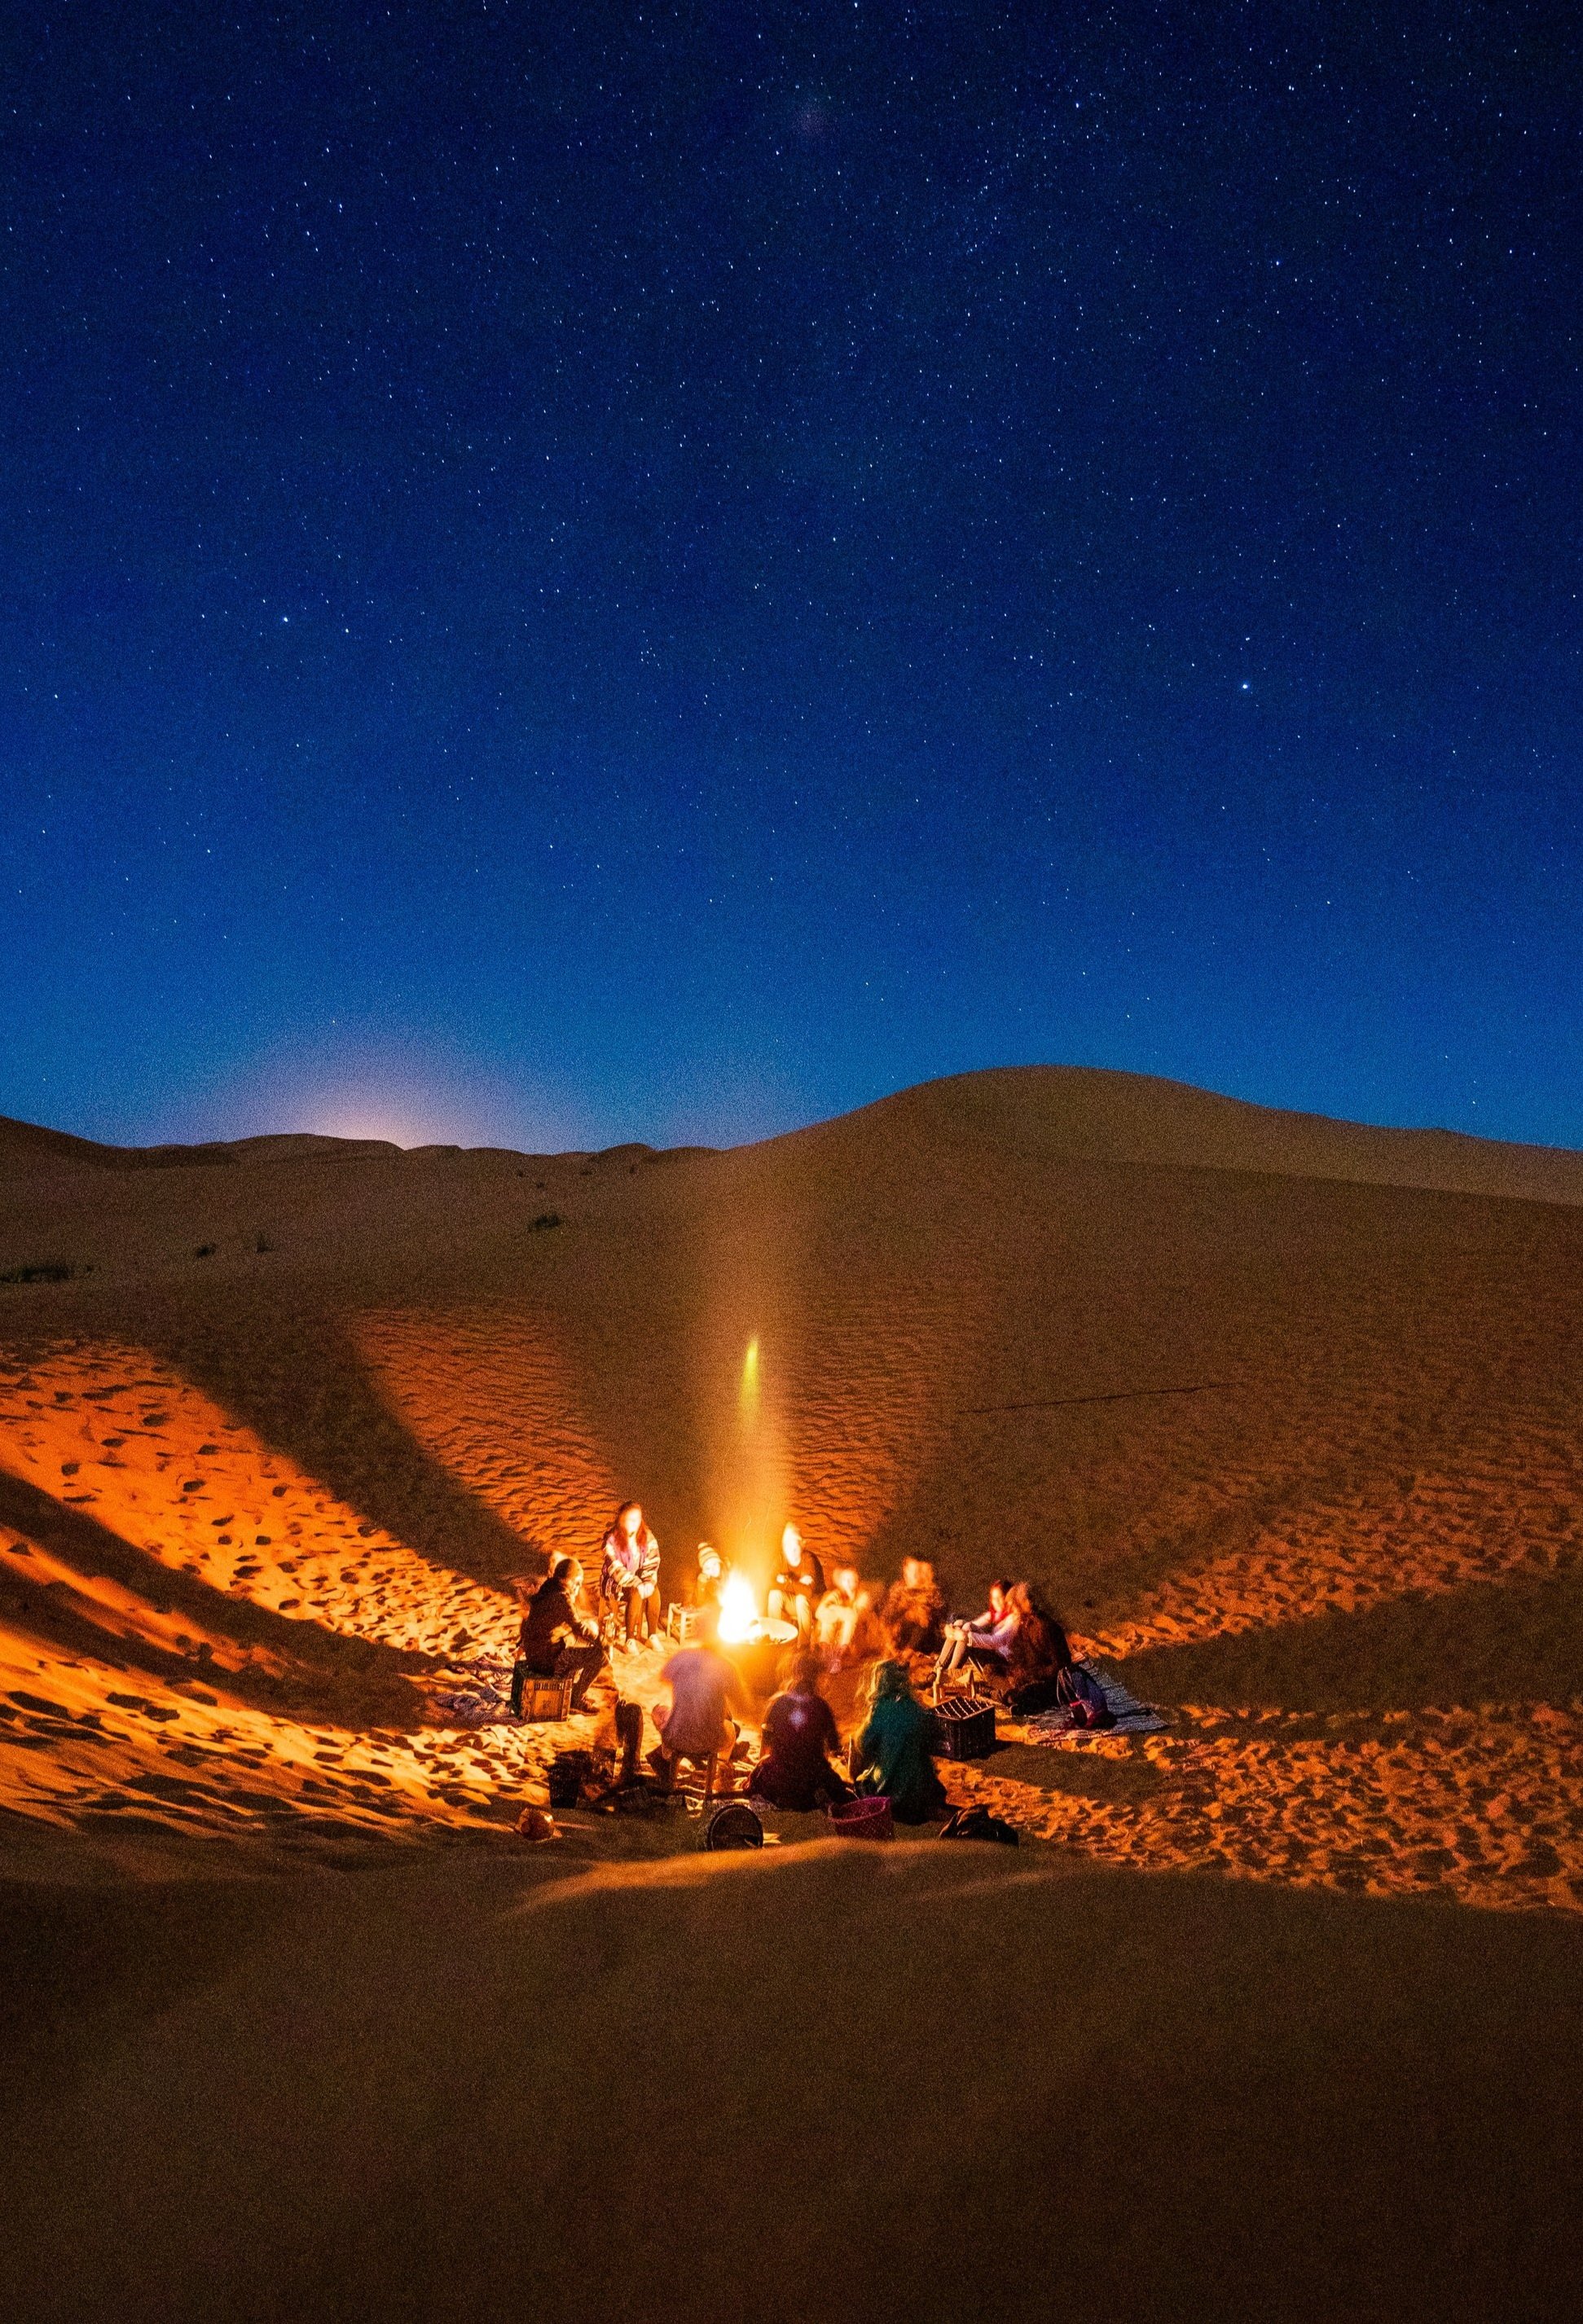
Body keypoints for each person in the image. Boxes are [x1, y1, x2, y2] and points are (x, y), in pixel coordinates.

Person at [651, 1606, 749, 1783]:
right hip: (708, 1740)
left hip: (675, 1736)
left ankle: (669, 1759)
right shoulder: (725, 1666)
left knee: (659, 1711)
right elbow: (744, 1707)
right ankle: (720, 1767)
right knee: (732, 1728)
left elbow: (663, 1676)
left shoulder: (682, 1657)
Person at [749, 1653, 851, 1811]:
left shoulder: (778, 1703)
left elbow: (766, 1744)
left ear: (794, 1673)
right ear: (817, 1677)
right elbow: (834, 1746)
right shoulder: (821, 1706)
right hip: (812, 1778)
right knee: (838, 1786)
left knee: (759, 1777)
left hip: (780, 1777)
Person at [850, 1658, 947, 1825]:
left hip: (890, 1796)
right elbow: (934, 1737)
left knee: (860, 1771)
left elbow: (864, 1745)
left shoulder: (879, 1709)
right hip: (921, 1791)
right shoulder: (915, 1707)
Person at [511, 1557, 606, 1716]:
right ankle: (576, 1698)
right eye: (578, 1583)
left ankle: (573, 1692)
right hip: (548, 1661)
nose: (578, 1587)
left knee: (574, 1644)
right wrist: (600, 1639)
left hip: (535, 1656)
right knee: (600, 1657)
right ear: (571, 1581)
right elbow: (579, 1627)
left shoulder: (548, 1587)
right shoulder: (562, 1598)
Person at [1001, 1581, 1075, 1715]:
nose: (1030, 1602)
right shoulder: (1025, 1626)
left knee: (1022, 1694)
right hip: (1033, 1677)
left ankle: (1014, 1699)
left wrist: (1034, 1674)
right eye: (1025, 1599)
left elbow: (1061, 1665)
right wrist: (1019, 1672)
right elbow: (1024, 1657)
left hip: (1053, 1683)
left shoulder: (1046, 1626)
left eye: (1029, 1598)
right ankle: (1008, 1695)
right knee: (993, 1671)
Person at [599, 1500, 662, 1653]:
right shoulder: (611, 1540)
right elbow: (615, 1568)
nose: (635, 1523)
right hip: (614, 1581)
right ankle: (630, 1640)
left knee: (654, 1592)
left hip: (638, 1579)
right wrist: (636, 1582)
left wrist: (648, 1582)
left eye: (638, 1519)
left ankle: (652, 1635)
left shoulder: (646, 1536)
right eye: (631, 1519)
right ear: (621, 1520)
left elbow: (652, 1560)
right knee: (636, 1593)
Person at [934, 1578, 1017, 1691]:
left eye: (999, 1598)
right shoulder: (995, 1615)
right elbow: (972, 1624)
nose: (995, 1602)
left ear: (1008, 1598)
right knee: (960, 1623)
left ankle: (948, 1676)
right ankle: (937, 1671)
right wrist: (951, 1628)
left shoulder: (1014, 1619)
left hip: (1003, 1665)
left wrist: (967, 1637)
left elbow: (997, 1641)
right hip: (994, 1656)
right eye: (993, 1598)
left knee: (967, 1629)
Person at [766, 1523, 825, 1641]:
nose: (792, 1551)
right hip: (795, 1601)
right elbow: (768, 1583)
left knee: (801, 1599)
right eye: (788, 1547)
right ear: (784, 1547)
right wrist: (798, 1583)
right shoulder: (781, 1560)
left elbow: (808, 1592)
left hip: (815, 1604)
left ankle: (803, 1645)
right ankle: (775, 1638)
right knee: (774, 1595)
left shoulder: (809, 1560)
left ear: (802, 1546)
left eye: (795, 1547)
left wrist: (787, 1580)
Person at [880, 1557, 947, 1656]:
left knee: (924, 1614)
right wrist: (908, 1612)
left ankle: (910, 1651)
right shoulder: (898, 1589)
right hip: (900, 1637)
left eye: (918, 1571)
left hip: (925, 1640)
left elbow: (937, 1618)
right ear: (905, 1571)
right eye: (912, 1570)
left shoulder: (931, 1590)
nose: (915, 1575)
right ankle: (898, 1651)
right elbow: (887, 1616)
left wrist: (919, 1612)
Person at [813, 1564, 877, 1667]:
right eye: (844, 1580)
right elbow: (819, 1613)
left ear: (856, 1582)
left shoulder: (864, 1596)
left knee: (849, 1621)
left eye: (850, 1580)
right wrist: (836, 1615)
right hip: (835, 1640)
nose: (847, 1583)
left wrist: (834, 1609)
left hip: (856, 1642)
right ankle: (826, 1652)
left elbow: (855, 1616)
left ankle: (840, 1654)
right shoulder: (836, 1594)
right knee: (827, 1620)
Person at [684, 1541, 728, 1614]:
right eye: (708, 1568)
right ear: (704, 1571)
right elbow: (699, 1604)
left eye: (714, 1564)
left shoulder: (731, 1575)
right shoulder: (706, 1582)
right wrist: (701, 1585)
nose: (713, 1569)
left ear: (719, 1563)